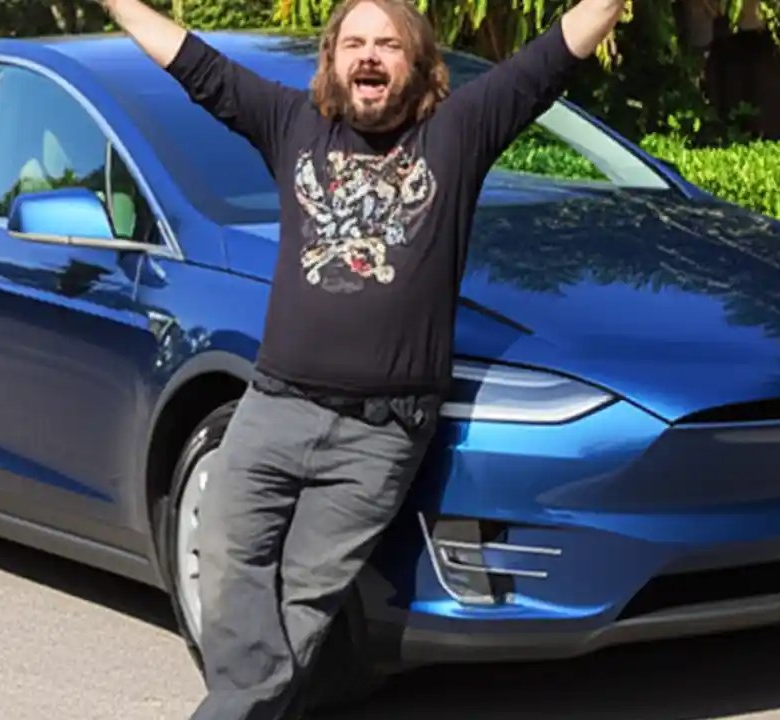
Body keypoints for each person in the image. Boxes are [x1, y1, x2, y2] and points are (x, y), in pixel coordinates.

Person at [93, 1, 626, 718]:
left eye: (388, 44)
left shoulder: (458, 133)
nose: (369, 56)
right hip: (274, 408)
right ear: (333, 61)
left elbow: (554, 54)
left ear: (418, 65)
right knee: (224, 567)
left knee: (303, 603)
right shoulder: (291, 125)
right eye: (354, 43)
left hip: (379, 437)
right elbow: (194, 64)